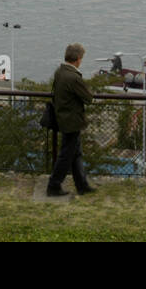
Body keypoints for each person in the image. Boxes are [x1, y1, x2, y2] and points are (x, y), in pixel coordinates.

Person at [47, 43, 96, 197]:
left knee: (75, 153)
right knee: (66, 155)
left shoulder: (60, 72)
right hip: (72, 121)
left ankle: (82, 184)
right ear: (78, 59)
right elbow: (88, 98)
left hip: (63, 117)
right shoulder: (73, 77)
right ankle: (54, 185)